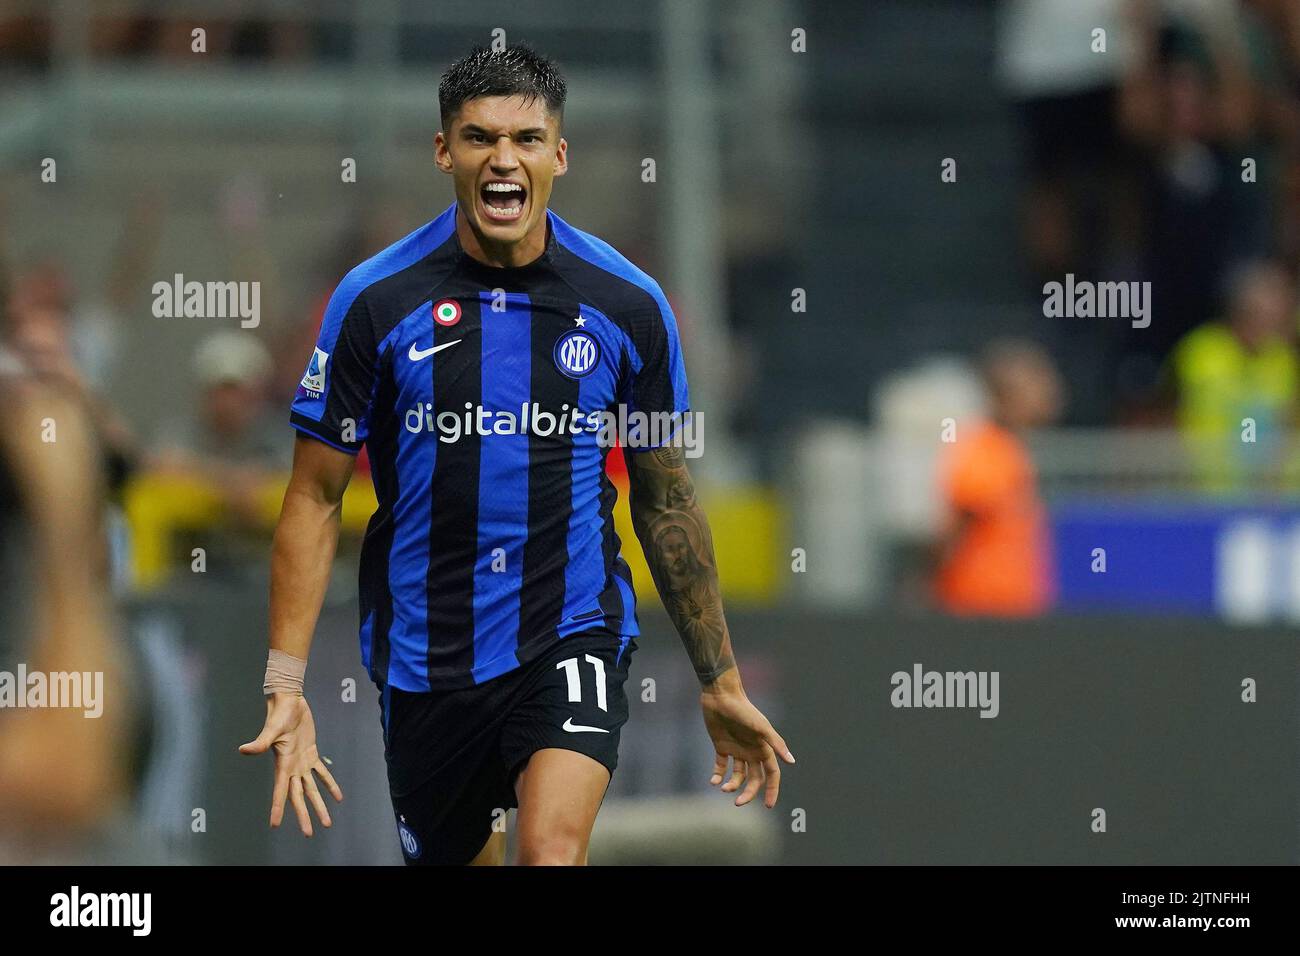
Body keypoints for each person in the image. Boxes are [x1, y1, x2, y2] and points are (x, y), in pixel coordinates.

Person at [240, 44, 793, 866]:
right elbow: (315, 496)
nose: (504, 159)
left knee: (549, 852)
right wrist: (285, 681)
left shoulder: (628, 306)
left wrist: (719, 676)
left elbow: (665, 497)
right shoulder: (374, 302)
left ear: (558, 156)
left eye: (527, 139)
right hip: (427, 655)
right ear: (444, 152)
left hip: (569, 632)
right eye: (479, 138)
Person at [933, 340, 1061, 618]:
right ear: (1005, 396)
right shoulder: (986, 450)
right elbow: (956, 529)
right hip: (980, 609)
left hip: (1011, 610)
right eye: (1035, 383)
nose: (1049, 393)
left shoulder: (1011, 450)